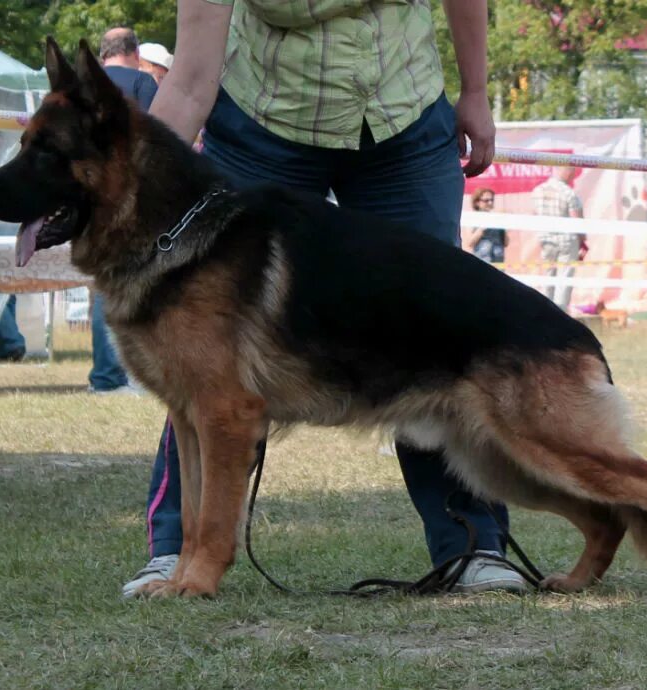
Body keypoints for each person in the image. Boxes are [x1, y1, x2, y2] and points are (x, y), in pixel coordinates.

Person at [123, 0, 528, 597]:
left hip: (402, 118)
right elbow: (187, 79)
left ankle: (471, 545)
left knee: (434, 334)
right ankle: (175, 550)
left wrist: (475, 88)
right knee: (206, 352)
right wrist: (139, 192)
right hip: (264, 124)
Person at [88, 28, 159, 393]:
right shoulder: (143, 83)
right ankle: (137, 374)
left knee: (103, 286)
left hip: (89, 201)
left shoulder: (83, 85)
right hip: (135, 202)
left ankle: (104, 375)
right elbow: (160, 138)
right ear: (133, 52)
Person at [532, 167, 585, 310]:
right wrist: (583, 242)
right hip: (566, 241)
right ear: (566, 171)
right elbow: (577, 221)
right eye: (572, 173)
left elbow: (534, 215)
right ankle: (560, 312)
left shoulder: (537, 191)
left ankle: (545, 312)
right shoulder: (569, 193)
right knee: (564, 278)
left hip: (546, 239)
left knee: (548, 277)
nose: (573, 177)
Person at [461, 188, 508, 264]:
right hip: (482, 263)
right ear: (477, 202)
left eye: (492, 200)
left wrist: (503, 227)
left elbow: (506, 243)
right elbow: (470, 243)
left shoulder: (497, 217)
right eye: (486, 200)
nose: (490, 203)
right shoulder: (472, 218)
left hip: (498, 263)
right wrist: (483, 227)